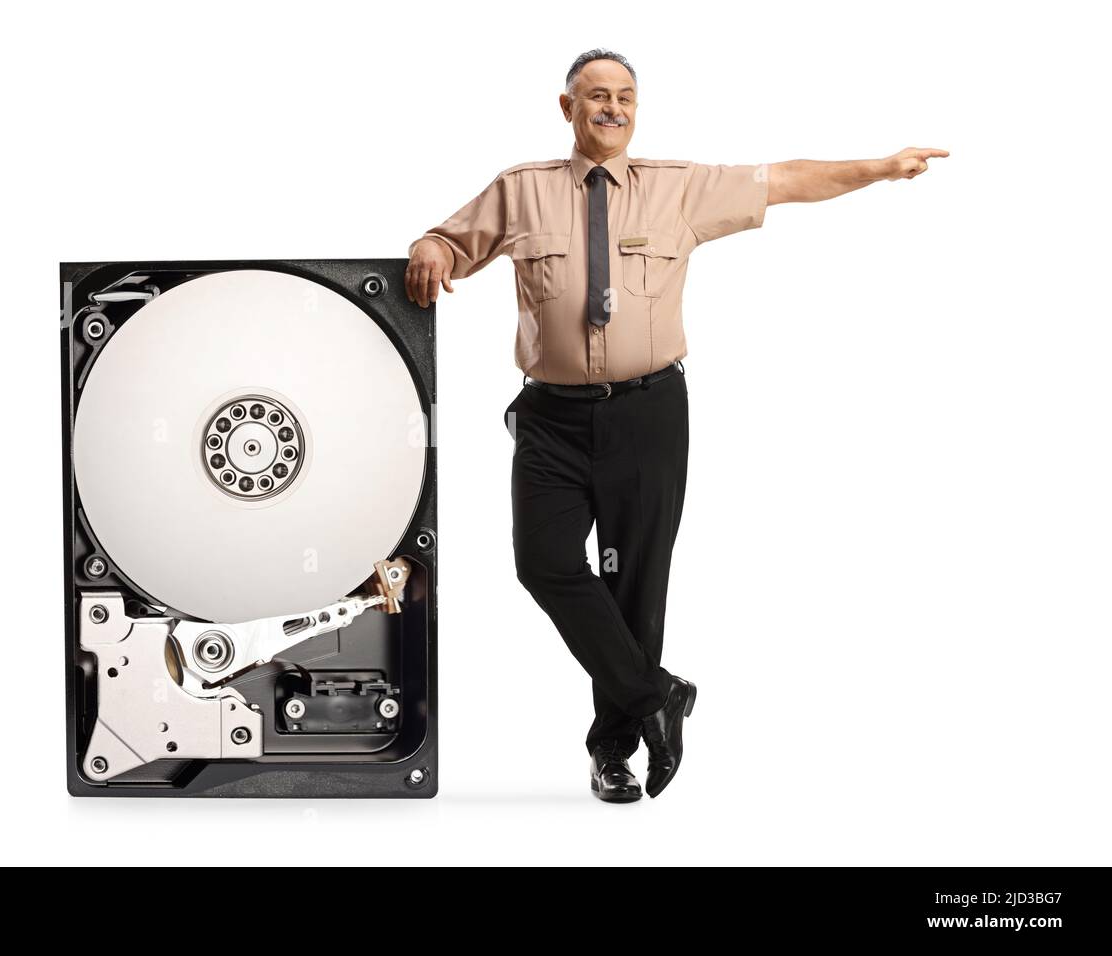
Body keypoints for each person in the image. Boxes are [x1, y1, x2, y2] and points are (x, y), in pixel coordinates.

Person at [404, 48, 947, 803]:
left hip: (648, 412)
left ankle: (613, 752)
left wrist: (879, 168)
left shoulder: (678, 188)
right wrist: (430, 247)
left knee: (635, 583)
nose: (613, 108)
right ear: (567, 107)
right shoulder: (522, 190)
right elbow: (450, 241)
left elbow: (787, 180)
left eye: (626, 96)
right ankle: (656, 695)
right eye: (598, 95)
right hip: (551, 418)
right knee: (544, 563)